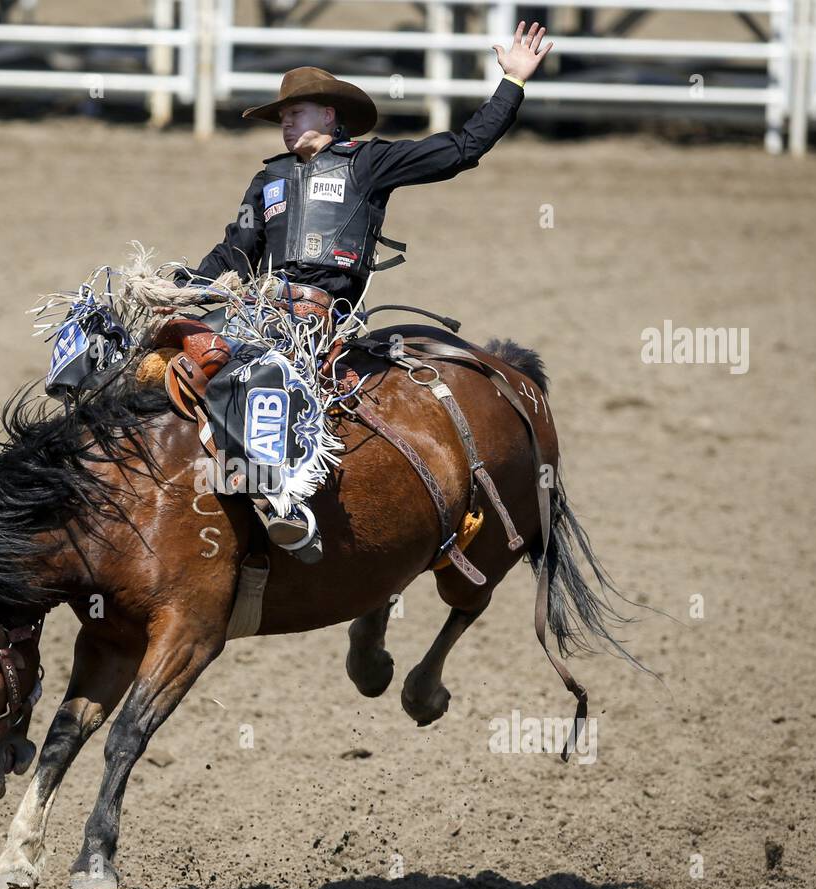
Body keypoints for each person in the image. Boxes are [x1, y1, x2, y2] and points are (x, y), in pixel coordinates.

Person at [186, 22, 554, 562]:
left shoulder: (370, 163)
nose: (286, 123)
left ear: (329, 115)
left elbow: (462, 149)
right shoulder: (267, 180)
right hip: (259, 308)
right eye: (282, 116)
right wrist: (178, 290)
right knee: (180, 361)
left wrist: (512, 83)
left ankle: (285, 507)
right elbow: (234, 253)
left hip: (318, 320)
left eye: (296, 112)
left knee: (268, 378)